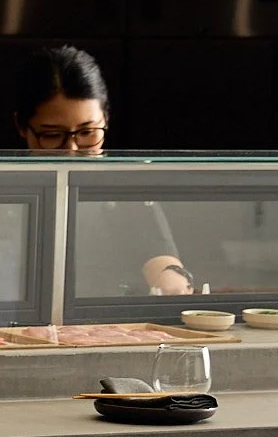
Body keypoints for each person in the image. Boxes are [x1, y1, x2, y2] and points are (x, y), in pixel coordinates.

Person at [14, 45, 192, 297]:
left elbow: (159, 257)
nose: (73, 149)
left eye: (87, 133)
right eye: (53, 136)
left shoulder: (123, 188)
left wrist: (171, 281)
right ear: (22, 126)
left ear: (105, 119)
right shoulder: (1, 190)